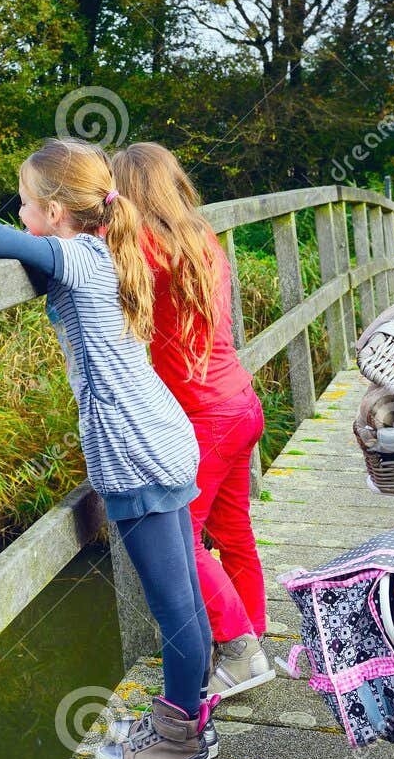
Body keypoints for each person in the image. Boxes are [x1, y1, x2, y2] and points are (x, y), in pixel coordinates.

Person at [0, 138, 216, 759]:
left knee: (176, 612)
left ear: (53, 210)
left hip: (133, 449)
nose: (18, 213)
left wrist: (4, 224)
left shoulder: (75, 254)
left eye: (24, 202)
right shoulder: (110, 246)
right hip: (162, 433)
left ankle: (178, 743)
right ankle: (187, 721)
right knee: (184, 599)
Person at [110, 142, 273, 701]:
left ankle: (239, 648)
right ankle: (253, 637)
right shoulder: (201, 237)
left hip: (203, 415)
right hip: (240, 403)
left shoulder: (142, 247)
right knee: (233, 532)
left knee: (185, 544)